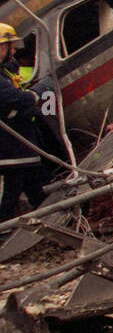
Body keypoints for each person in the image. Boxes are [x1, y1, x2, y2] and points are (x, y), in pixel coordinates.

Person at [0, 24, 47, 223]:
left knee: (35, 186)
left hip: (21, 146)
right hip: (10, 149)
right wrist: (30, 99)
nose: (13, 51)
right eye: (10, 46)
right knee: (12, 192)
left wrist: (24, 107)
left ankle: (53, 225)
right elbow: (15, 99)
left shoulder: (6, 71)